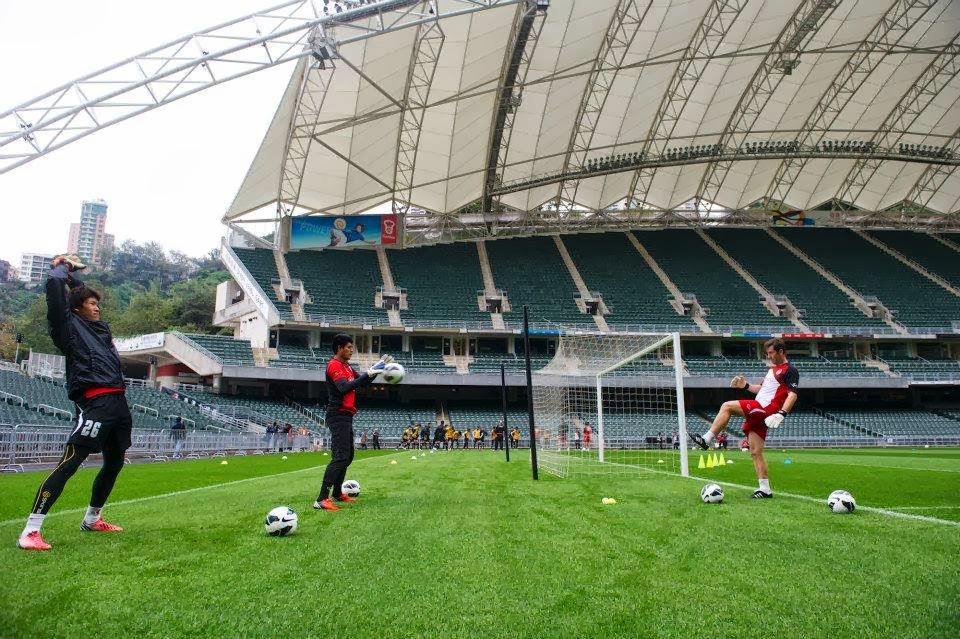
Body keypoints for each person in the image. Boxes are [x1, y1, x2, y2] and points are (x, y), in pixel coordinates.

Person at [17, 255, 129, 551]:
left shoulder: (101, 330)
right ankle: (31, 530)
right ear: (77, 308)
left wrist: (77, 282)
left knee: (115, 462)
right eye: (92, 303)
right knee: (71, 462)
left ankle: (92, 519)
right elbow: (55, 284)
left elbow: (80, 293)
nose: (97, 306)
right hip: (95, 401)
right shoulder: (65, 326)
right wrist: (64, 266)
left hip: (118, 403)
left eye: (97, 303)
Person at [690, 338, 798, 499]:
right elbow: (761, 389)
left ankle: (706, 439)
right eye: (767, 353)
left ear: (781, 352)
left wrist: (782, 413)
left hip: (765, 409)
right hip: (760, 409)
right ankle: (765, 489)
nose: (768, 356)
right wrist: (745, 385)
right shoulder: (772, 371)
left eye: (771, 353)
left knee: (727, 406)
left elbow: (793, 394)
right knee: (756, 452)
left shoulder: (790, 370)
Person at [314, 333, 392, 511]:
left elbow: (362, 383)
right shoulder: (334, 365)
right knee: (340, 457)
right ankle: (321, 498)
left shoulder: (347, 367)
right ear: (339, 348)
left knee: (347, 457)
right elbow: (344, 388)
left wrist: (377, 369)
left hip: (346, 416)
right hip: (337, 414)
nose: (351, 350)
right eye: (348, 347)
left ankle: (336, 493)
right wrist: (369, 372)